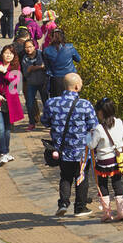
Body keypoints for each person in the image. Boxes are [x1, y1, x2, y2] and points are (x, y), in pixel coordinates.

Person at [44, 72, 98, 217]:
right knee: (81, 177)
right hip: (81, 150)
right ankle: (80, 207)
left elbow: (45, 121)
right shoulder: (85, 104)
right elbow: (94, 125)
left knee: (65, 177)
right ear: (76, 86)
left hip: (61, 149)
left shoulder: (52, 103)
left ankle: (63, 203)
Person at [90, 98, 123, 221]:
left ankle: (107, 213)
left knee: (103, 185)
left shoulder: (99, 129)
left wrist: (87, 136)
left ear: (101, 113)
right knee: (117, 184)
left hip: (104, 162)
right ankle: (122, 212)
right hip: (117, 160)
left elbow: (91, 145)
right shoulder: (119, 122)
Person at [19, 37, 49, 128]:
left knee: (46, 103)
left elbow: (46, 67)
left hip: (42, 82)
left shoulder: (41, 54)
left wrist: (33, 68)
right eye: (26, 47)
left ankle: (48, 121)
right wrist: (39, 67)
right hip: (31, 83)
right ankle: (31, 122)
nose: (28, 49)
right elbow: (26, 72)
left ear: (34, 46)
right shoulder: (25, 58)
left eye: (30, 47)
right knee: (30, 103)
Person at [42, 28, 79, 96]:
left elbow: (47, 67)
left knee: (57, 100)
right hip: (70, 77)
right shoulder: (70, 47)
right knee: (72, 99)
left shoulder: (47, 50)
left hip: (56, 79)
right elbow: (78, 59)